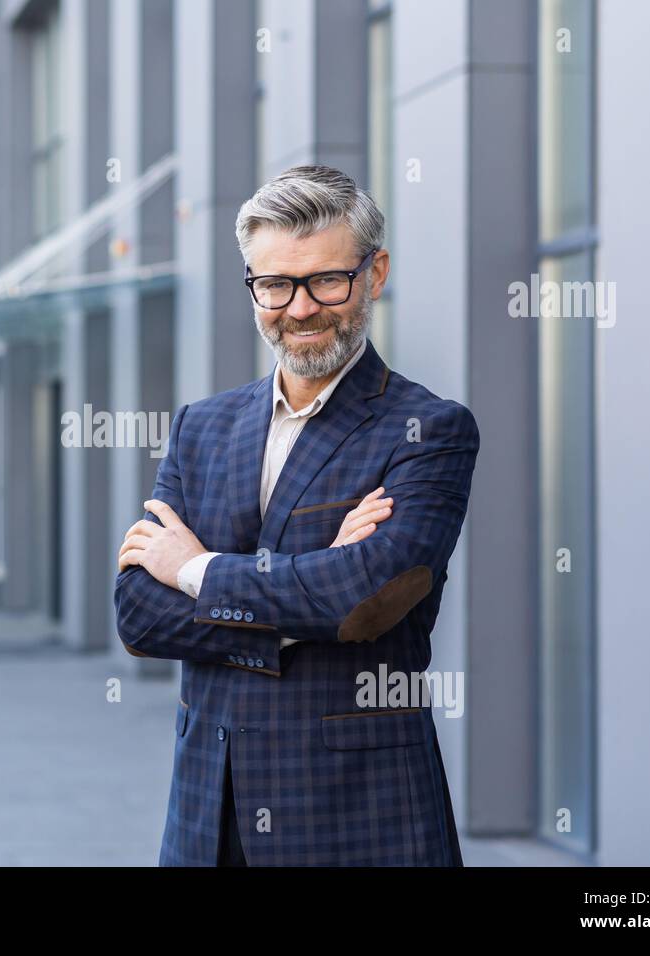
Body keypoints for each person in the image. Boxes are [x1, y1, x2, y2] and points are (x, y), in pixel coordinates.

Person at [114, 165, 478, 866]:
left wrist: (194, 568)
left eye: (326, 281)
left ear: (375, 275)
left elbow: (362, 599)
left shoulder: (428, 429)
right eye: (275, 284)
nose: (301, 308)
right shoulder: (201, 427)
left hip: (358, 815)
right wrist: (306, 589)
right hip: (207, 815)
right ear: (252, 284)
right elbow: (139, 614)